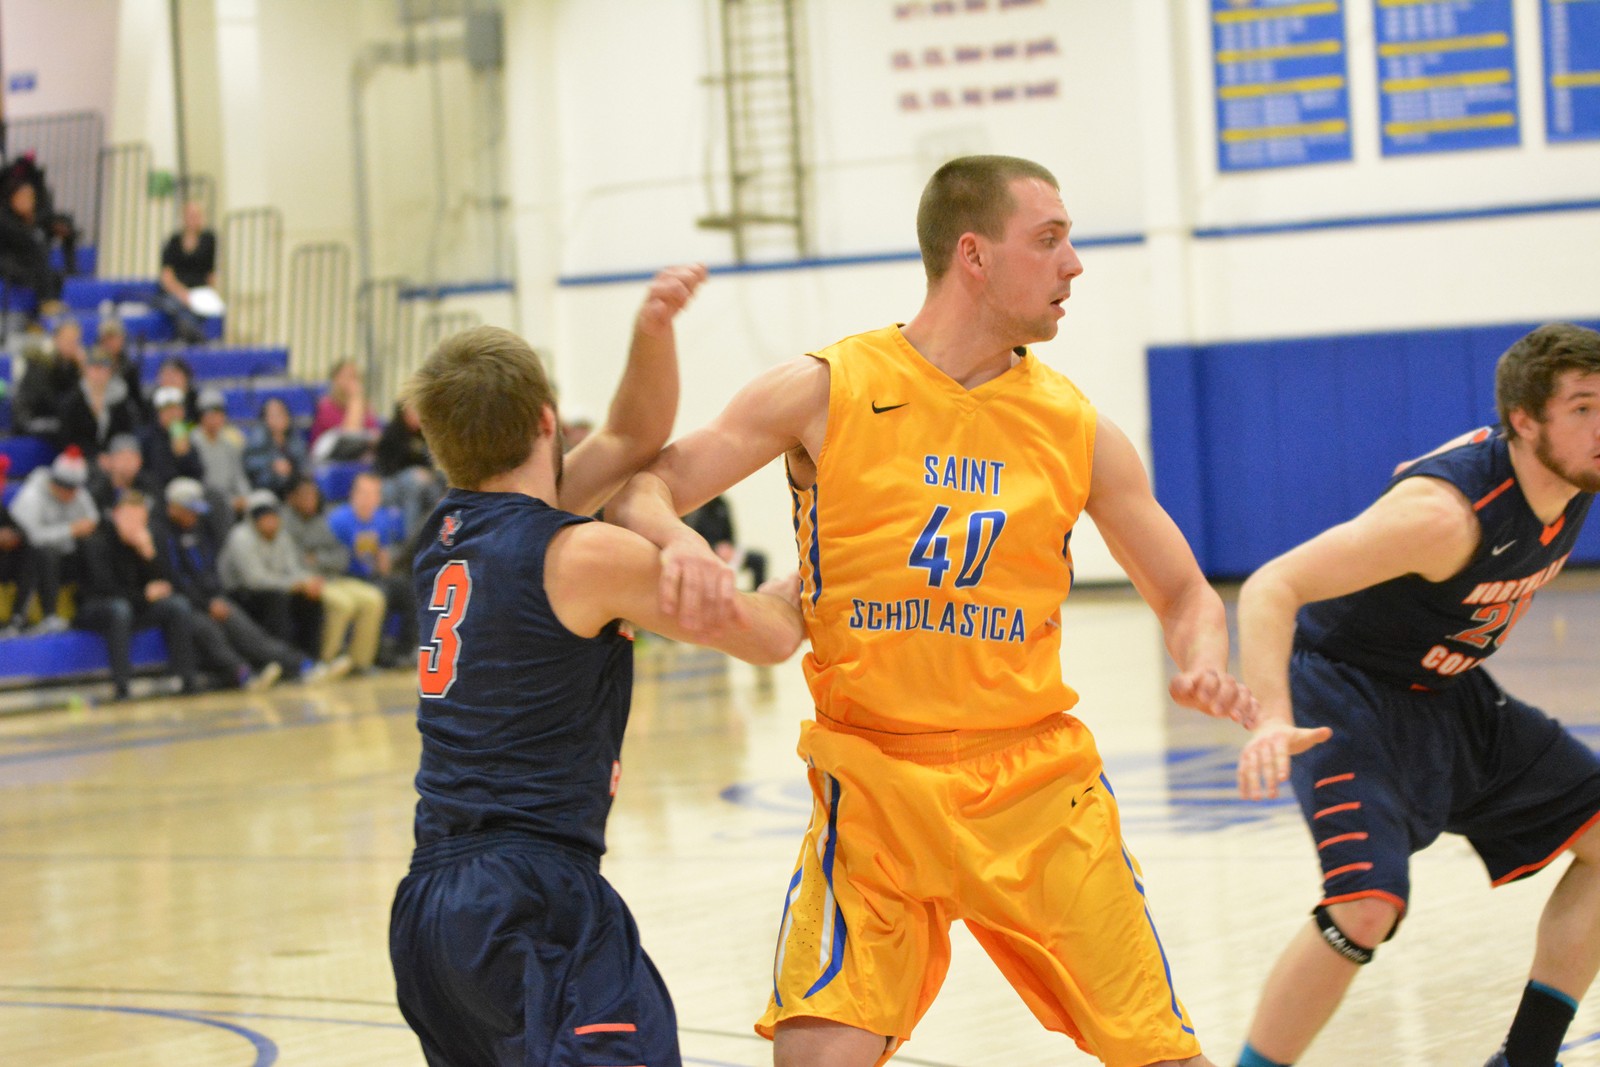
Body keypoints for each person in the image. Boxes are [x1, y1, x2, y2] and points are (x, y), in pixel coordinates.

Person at [606, 156, 1255, 1067]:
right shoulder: (828, 386)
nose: (1075, 265)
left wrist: (1202, 659)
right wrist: (680, 548)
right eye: (1050, 239)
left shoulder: (1077, 426)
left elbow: (1185, 590)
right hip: (874, 783)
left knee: (1163, 1057)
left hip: (1033, 789)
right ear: (974, 255)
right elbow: (645, 487)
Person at [388, 266, 799, 1067]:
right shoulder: (583, 555)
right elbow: (769, 639)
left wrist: (653, 327)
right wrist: (804, 591)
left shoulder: (446, 539)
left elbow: (631, 437)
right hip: (529, 894)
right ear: (549, 419)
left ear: (437, 440)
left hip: (432, 910)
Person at [1232, 323, 1600, 1067]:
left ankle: (1525, 1059)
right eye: (1585, 407)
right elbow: (1274, 584)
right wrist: (1271, 715)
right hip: (1346, 694)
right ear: (1524, 421)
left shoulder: (1573, 475)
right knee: (1363, 906)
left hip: (1448, 690)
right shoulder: (1442, 517)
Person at [150, 476, 305, 688]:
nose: (194, 515)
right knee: (209, 631)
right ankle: (243, 673)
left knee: (249, 634)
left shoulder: (200, 529)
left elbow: (210, 570)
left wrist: (215, 597)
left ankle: (298, 664)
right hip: (188, 604)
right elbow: (174, 577)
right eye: (189, 510)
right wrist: (206, 604)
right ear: (174, 508)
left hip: (213, 598)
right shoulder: (162, 534)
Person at [75, 489, 203, 699]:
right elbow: (105, 589)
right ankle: (122, 686)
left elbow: (164, 584)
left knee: (177, 605)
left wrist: (149, 554)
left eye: (140, 519)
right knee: (119, 609)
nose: (136, 524)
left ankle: (185, 678)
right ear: (116, 514)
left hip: (134, 605)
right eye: (130, 517)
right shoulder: (96, 541)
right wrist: (144, 596)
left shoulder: (143, 541)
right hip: (96, 608)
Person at [219, 488, 351, 677]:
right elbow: (254, 579)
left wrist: (307, 581)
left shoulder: (282, 536)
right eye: (264, 516)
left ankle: (313, 659)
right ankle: (288, 664)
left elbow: (294, 569)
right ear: (253, 519)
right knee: (278, 599)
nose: (270, 521)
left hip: (275, 588)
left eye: (273, 515)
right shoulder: (240, 538)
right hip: (242, 594)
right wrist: (293, 585)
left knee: (310, 597)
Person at [280, 475, 386, 673]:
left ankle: (360, 662)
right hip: (306, 581)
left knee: (374, 598)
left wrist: (317, 559)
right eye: (305, 495)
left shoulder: (319, 521)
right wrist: (312, 569)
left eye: (313, 495)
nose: (310, 500)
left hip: (332, 577)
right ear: (291, 498)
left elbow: (341, 556)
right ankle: (327, 660)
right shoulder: (283, 524)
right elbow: (292, 561)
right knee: (342, 603)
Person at [6, 446, 98, 634]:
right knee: (45, 553)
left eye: (75, 490)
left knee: (93, 544)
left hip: (65, 555)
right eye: (68, 490)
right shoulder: (32, 496)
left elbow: (92, 519)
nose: (72, 496)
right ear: (55, 484)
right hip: (27, 559)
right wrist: (70, 530)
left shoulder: (77, 492)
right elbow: (31, 537)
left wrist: (80, 530)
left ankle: (92, 606)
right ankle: (41, 616)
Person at [327, 470, 415, 657]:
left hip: (371, 575)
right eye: (364, 493)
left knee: (406, 588)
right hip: (345, 577)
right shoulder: (338, 521)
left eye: (374, 494)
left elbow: (383, 561)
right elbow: (332, 558)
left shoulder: (381, 519)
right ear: (353, 495)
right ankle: (376, 653)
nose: (368, 499)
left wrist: (384, 565)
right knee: (379, 594)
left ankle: (405, 651)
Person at [374, 399, 446, 540]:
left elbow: (429, 464)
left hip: (421, 480)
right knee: (412, 484)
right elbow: (387, 466)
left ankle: (437, 536)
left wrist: (428, 473)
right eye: (414, 411)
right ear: (404, 412)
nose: (418, 416)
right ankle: (411, 540)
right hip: (391, 481)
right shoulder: (393, 432)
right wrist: (414, 472)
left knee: (436, 489)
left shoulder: (424, 435)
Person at [57, 350, 141, 460]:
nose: (98, 373)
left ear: (110, 371)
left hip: (114, 458)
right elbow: (67, 438)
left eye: (103, 368)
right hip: (80, 457)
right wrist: (96, 456)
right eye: (94, 368)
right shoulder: (72, 400)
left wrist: (113, 457)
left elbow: (125, 432)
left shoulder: (121, 399)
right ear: (85, 370)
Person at [155, 200, 217, 344]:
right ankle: (197, 337)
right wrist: (183, 294)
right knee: (174, 305)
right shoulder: (173, 241)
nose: (193, 219)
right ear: (183, 217)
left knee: (201, 308)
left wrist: (208, 295)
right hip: (176, 293)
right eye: (190, 215)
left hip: (198, 293)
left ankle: (186, 336)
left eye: (196, 215)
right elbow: (167, 277)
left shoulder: (209, 240)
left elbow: (210, 274)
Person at [0, 171, 63, 310]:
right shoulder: (5, 220)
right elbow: (26, 244)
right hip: (8, 261)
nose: (28, 201)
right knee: (36, 269)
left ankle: (46, 309)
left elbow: (39, 247)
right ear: (12, 198)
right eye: (23, 197)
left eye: (30, 197)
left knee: (55, 274)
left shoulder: (33, 220)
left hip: (27, 262)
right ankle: (44, 304)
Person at [683, 494, 767, 590]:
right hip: (702, 551)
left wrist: (729, 548)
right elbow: (690, 536)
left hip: (724, 551)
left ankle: (758, 594)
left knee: (758, 560)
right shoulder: (694, 507)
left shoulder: (722, 504)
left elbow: (731, 533)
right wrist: (714, 548)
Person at [191, 387, 252, 517]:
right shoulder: (192, 442)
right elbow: (197, 480)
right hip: (203, 500)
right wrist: (226, 501)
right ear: (201, 416)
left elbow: (238, 476)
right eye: (209, 414)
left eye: (218, 413)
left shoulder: (229, 442)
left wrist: (244, 497)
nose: (214, 418)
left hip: (231, 499)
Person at [309, 359, 380, 462]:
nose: (353, 382)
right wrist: (356, 398)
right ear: (335, 379)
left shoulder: (365, 408)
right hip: (329, 459)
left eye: (356, 377)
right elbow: (350, 436)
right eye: (348, 377)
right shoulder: (325, 406)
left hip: (359, 459)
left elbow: (374, 434)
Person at [138, 384, 206, 491]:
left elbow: (198, 473)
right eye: (168, 410)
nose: (173, 414)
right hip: (157, 491)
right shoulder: (146, 438)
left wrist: (185, 456)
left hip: (187, 491)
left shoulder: (190, 434)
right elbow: (150, 473)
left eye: (177, 409)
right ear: (158, 413)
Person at [243, 395, 309, 496]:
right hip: (264, 489)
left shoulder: (295, 439)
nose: (279, 418)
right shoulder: (256, 440)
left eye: (282, 413)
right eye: (273, 415)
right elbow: (250, 465)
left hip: (293, 489)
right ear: (264, 418)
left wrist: (292, 469)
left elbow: (304, 465)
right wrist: (272, 465)